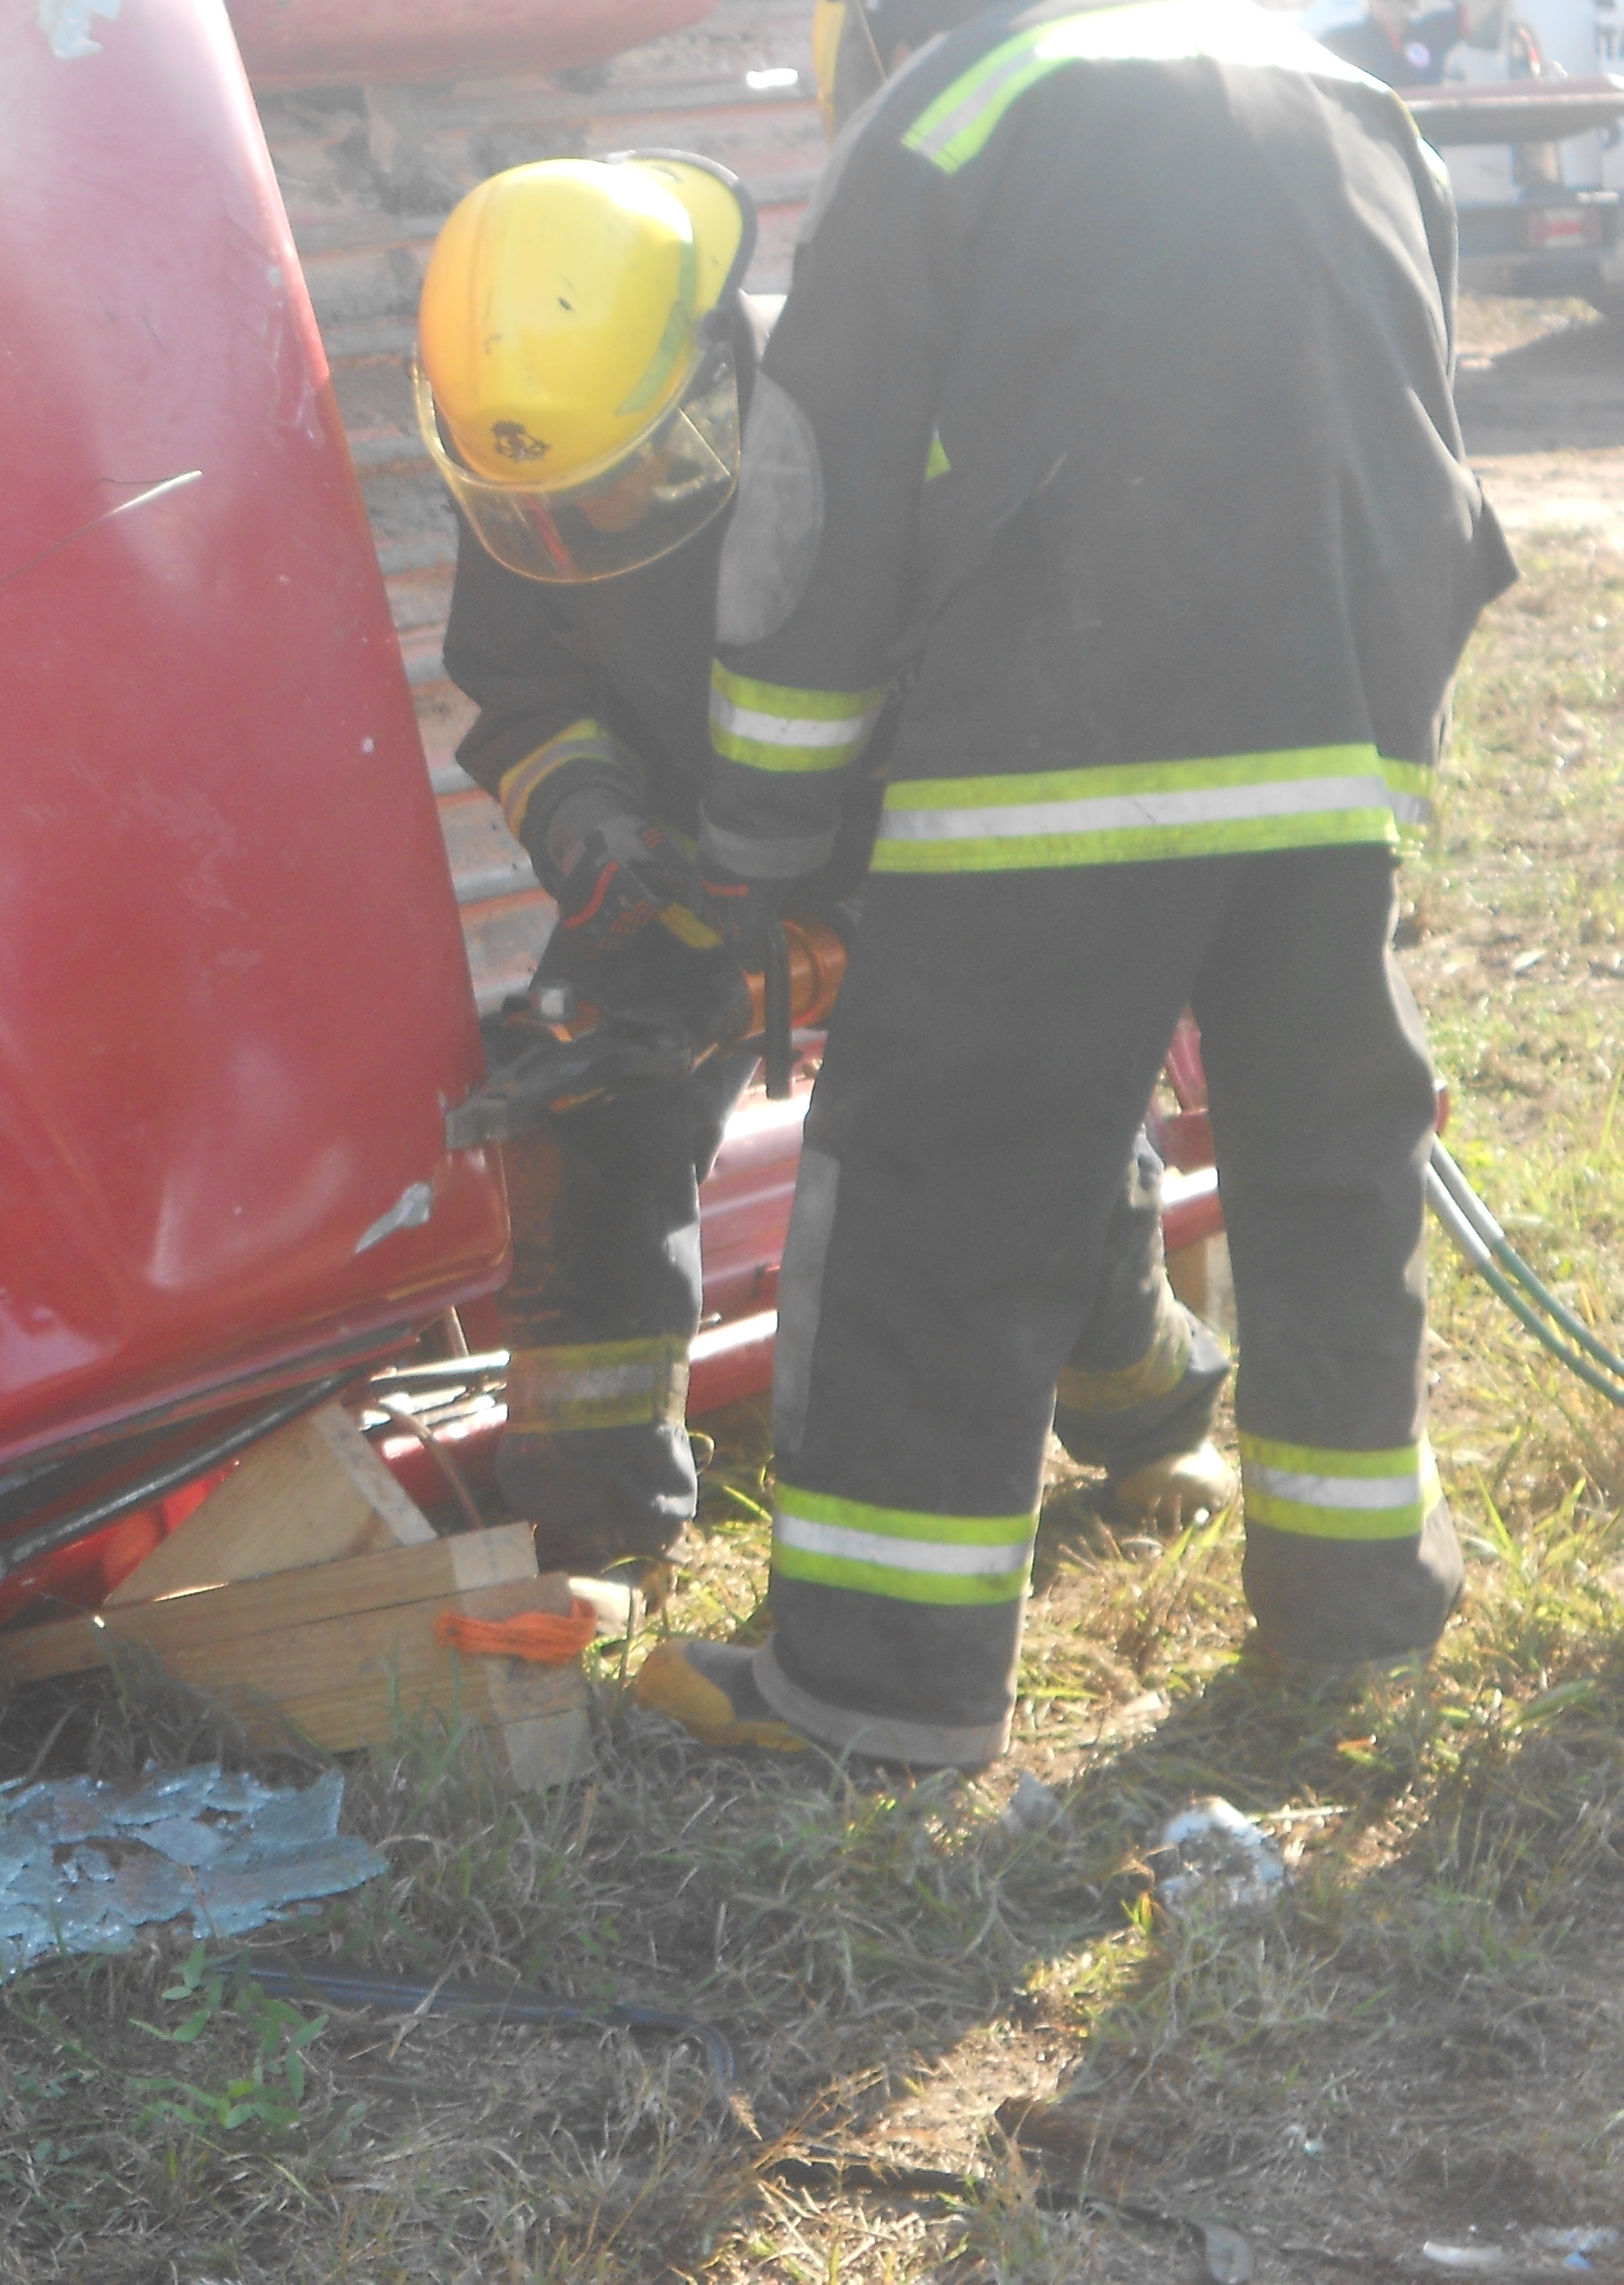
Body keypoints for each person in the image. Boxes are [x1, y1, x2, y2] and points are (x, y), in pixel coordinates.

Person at [640, 0, 1515, 1764]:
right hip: (1340, 742)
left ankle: (874, 1689)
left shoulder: (951, 110)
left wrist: (767, 830)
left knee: (941, 1182)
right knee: (1326, 1169)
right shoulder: (1350, 93)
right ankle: (1356, 1615)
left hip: (1061, 739)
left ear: (903, 4)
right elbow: (1418, 430)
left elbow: (816, 497)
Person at [419, 151, 1231, 1589]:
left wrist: (852, 929)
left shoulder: (880, 419)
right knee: (587, 1100)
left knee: (1025, 1109)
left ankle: (1147, 1420)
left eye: (623, 480)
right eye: (549, 504)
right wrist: (591, 831)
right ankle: (600, 1531)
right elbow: (529, 694)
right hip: (677, 856)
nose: (583, 524)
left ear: (704, 368)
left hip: (917, 829)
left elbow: (1000, 690)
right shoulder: (537, 451)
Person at [1318, 0, 1458, 92]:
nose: (1394, 2)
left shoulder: (1431, 34)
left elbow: (1470, 10)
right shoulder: (1343, 40)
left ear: (1414, 0)